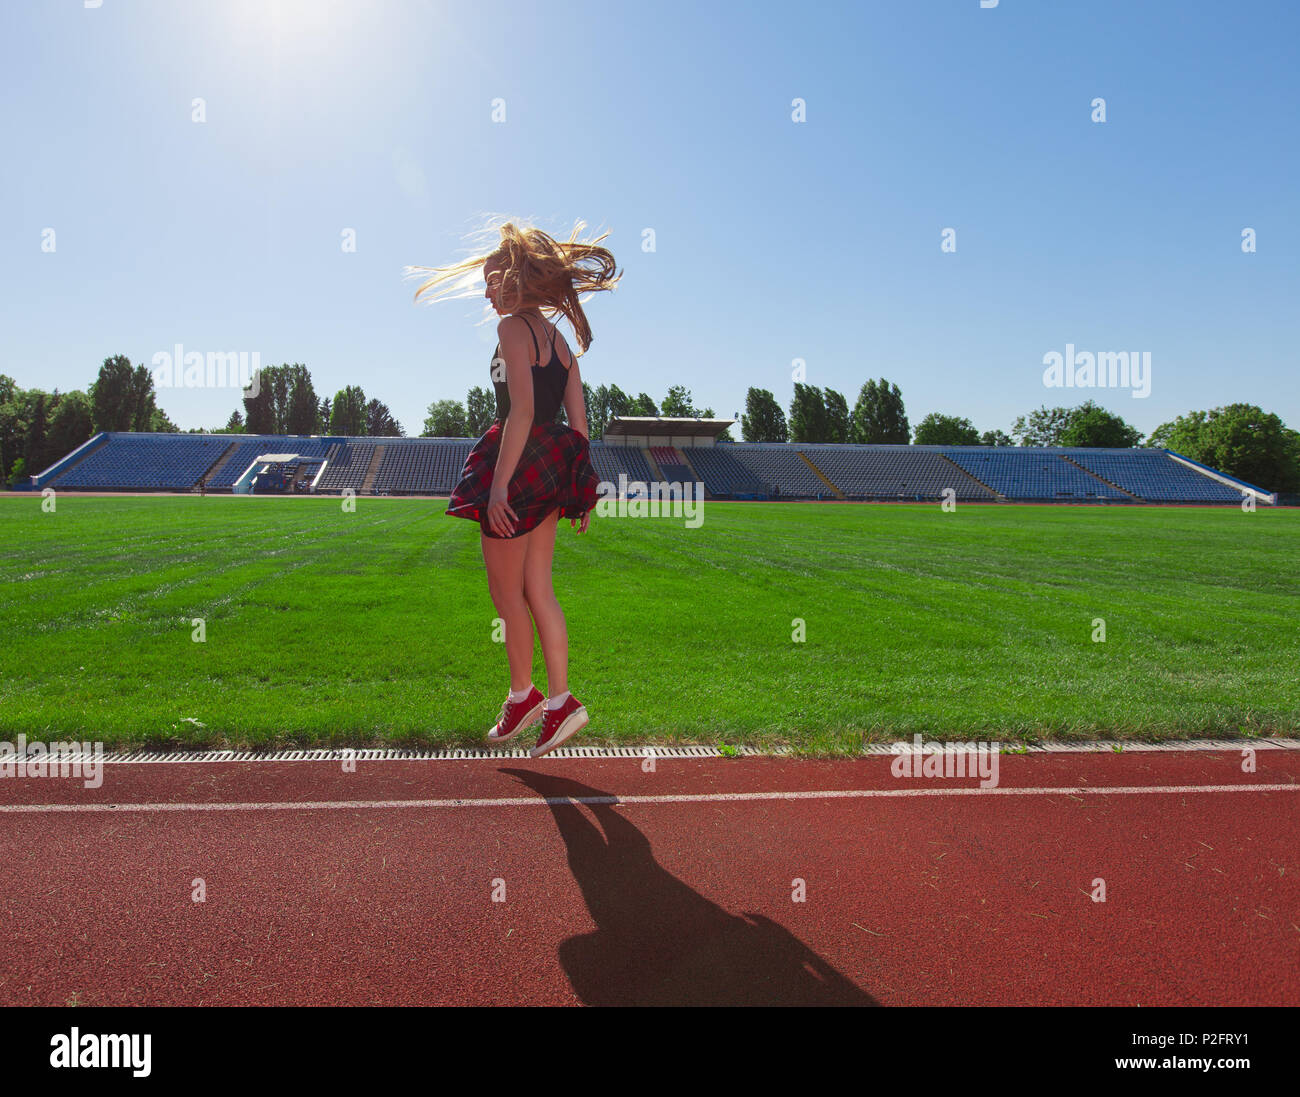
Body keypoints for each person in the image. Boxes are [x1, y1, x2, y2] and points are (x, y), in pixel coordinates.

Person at [408, 221, 621, 757]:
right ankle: (560, 701)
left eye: (490, 281)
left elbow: (522, 410)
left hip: (519, 460)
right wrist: (580, 490)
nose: (485, 292)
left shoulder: (512, 331)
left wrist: (499, 486)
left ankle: (525, 696)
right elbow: (579, 427)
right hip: (551, 466)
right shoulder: (563, 344)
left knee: (506, 593)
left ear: (514, 279)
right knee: (539, 591)